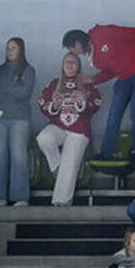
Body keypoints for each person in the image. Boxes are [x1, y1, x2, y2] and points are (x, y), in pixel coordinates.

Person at [63, 26, 135, 163]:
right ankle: (106, 153)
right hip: (126, 75)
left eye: (72, 50)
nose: (75, 54)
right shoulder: (95, 59)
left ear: (77, 44)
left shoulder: (101, 33)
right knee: (114, 113)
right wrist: (94, 79)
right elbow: (111, 70)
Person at [35, 52, 101, 206]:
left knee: (70, 160)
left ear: (79, 66)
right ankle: (58, 168)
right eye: (67, 62)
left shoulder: (88, 84)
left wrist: (82, 102)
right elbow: (43, 105)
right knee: (43, 138)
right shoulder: (54, 83)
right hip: (58, 125)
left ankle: (61, 201)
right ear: (62, 66)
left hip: (80, 129)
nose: (70, 65)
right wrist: (55, 105)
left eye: (73, 63)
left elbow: (96, 104)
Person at [0, 37, 35, 206]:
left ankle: (20, 196)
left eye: (13, 48)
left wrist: (4, 93)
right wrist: (10, 92)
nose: (9, 51)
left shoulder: (29, 70)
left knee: (19, 157)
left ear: (21, 50)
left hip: (20, 119)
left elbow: (23, 93)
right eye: (7, 47)